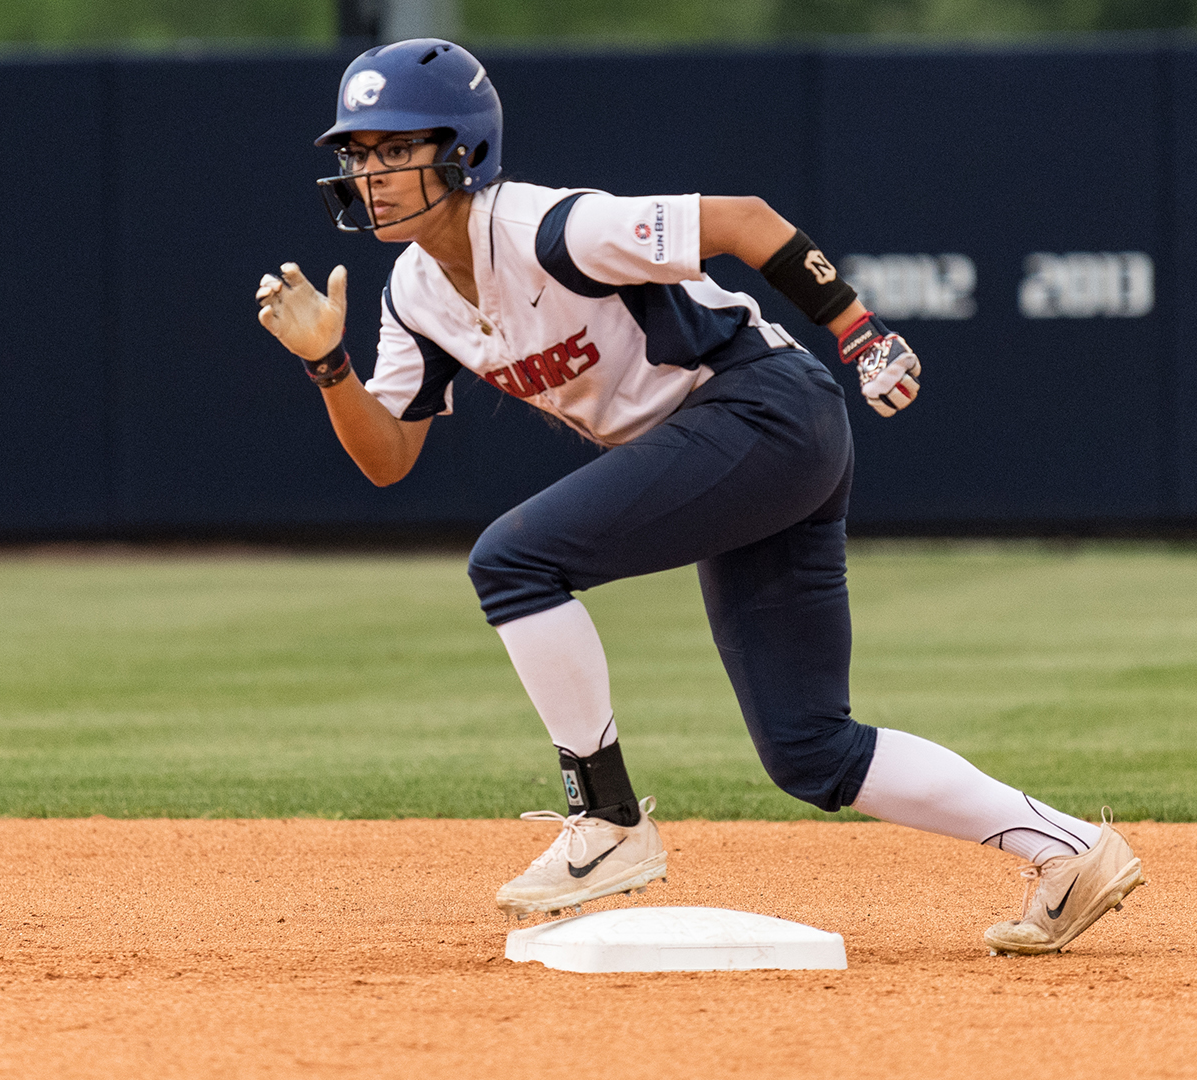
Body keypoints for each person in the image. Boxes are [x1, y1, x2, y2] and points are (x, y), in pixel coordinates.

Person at [255, 38, 1144, 955]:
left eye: (396, 148)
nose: (373, 173)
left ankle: (604, 821)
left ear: (464, 149)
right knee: (811, 752)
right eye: (359, 154)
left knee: (514, 560)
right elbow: (389, 458)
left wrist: (858, 327)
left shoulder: (551, 228)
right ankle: (1071, 849)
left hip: (764, 408)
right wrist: (330, 364)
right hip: (738, 451)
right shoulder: (412, 294)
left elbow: (745, 219)